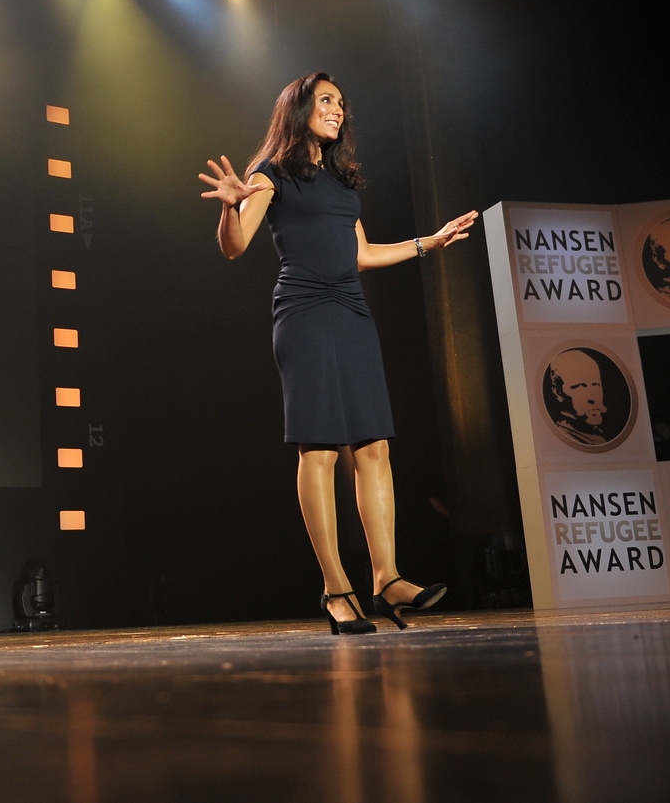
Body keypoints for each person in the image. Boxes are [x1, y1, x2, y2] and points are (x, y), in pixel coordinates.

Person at [199, 72, 477, 635]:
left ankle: (387, 578)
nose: (338, 111)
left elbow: (362, 255)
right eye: (327, 101)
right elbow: (234, 247)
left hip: (350, 312)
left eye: (342, 104)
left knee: (374, 446)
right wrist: (230, 206)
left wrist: (431, 241)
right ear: (298, 109)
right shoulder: (269, 176)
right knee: (321, 449)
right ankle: (334, 586)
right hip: (302, 313)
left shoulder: (345, 184)